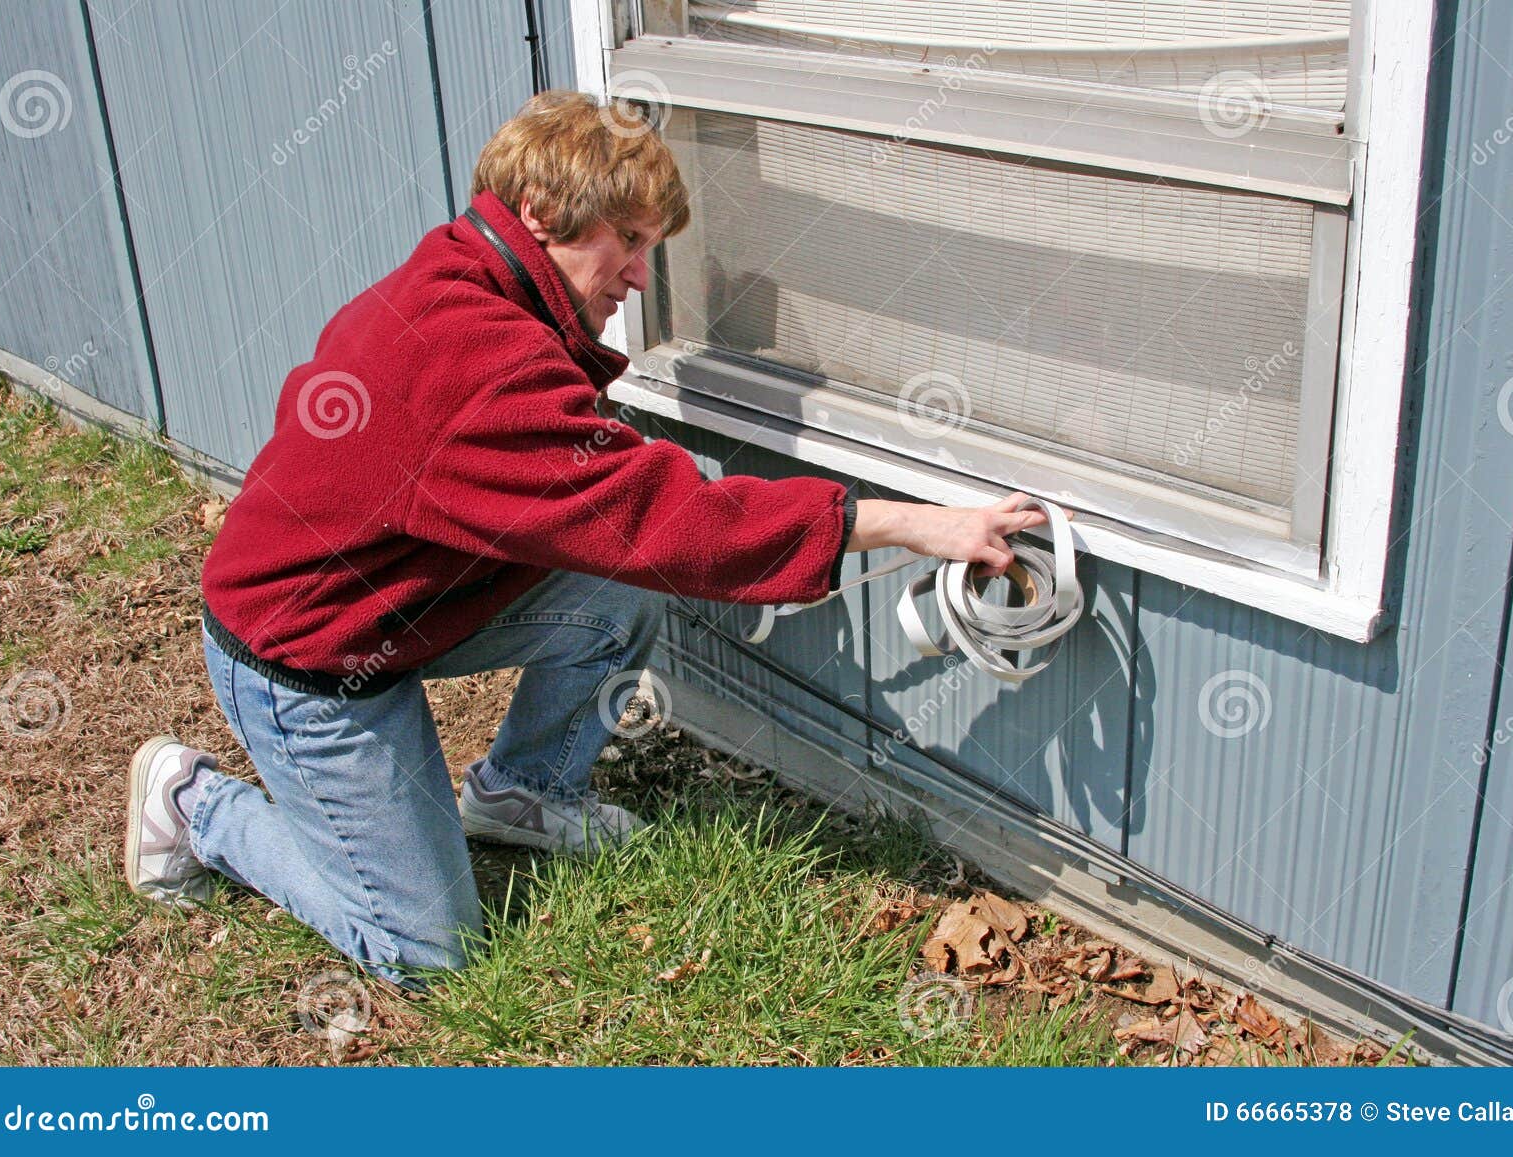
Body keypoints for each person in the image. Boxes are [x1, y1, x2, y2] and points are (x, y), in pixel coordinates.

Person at [123, 91, 1050, 988]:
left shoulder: (472, 278)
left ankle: (520, 791)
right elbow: (665, 519)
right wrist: (916, 523)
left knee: (617, 587)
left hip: (399, 602)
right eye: (633, 241)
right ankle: (194, 805)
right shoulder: (468, 357)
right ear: (543, 211)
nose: (644, 275)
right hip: (309, 655)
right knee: (423, 950)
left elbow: (618, 519)